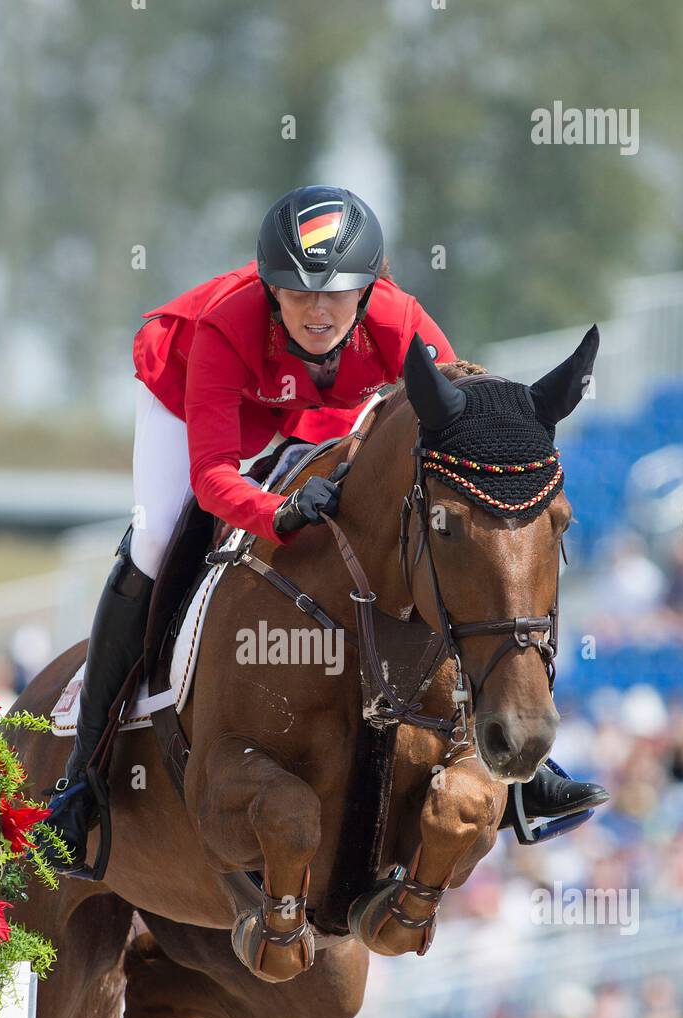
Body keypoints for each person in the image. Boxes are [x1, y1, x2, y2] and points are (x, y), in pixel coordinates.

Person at [45, 184, 605, 874]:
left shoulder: (402, 323)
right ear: (270, 288)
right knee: (158, 533)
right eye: (297, 292)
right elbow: (215, 477)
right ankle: (83, 779)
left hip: (317, 409)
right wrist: (276, 513)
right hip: (196, 399)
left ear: (368, 290)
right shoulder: (226, 325)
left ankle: (516, 782)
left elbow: (459, 432)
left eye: (336, 293)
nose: (317, 311)